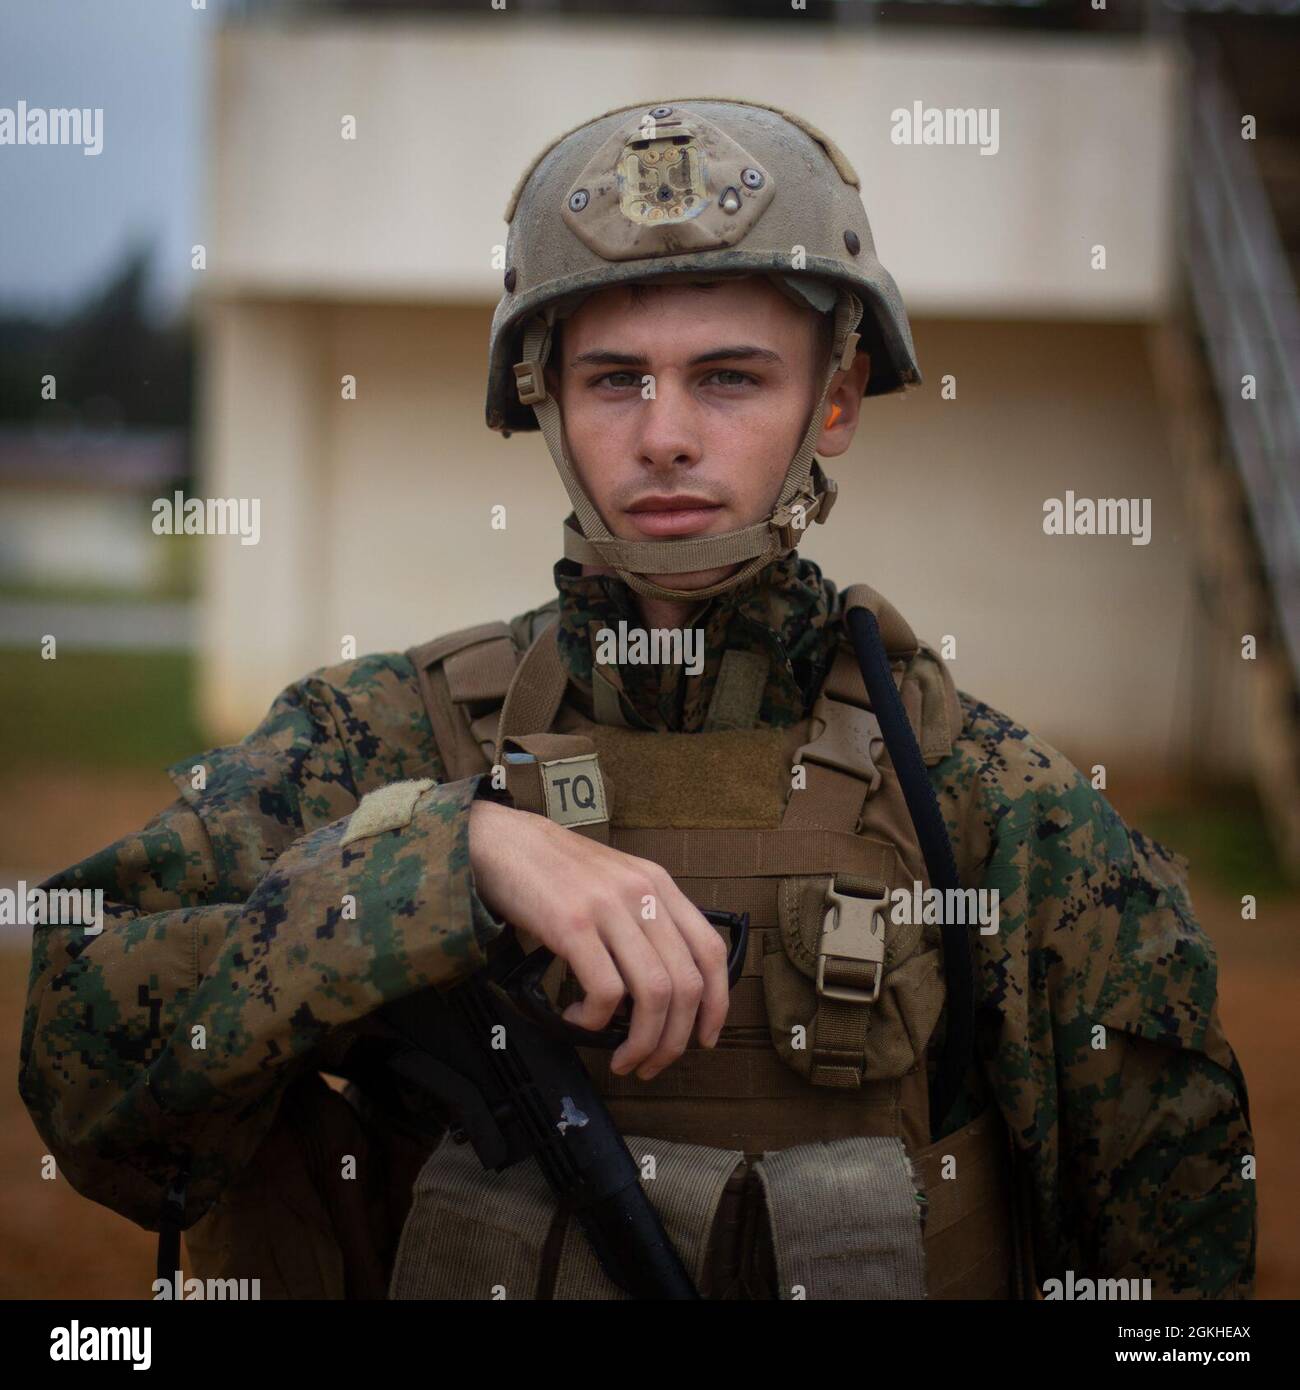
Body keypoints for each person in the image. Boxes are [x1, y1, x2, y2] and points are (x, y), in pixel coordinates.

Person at [19, 98, 1255, 1301]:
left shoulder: (991, 806)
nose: (664, 435)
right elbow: (86, 1056)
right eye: (615, 379)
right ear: (543, 400)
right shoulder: (381, 737)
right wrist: (450, 860)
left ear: (832, 401)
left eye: (727, 378)